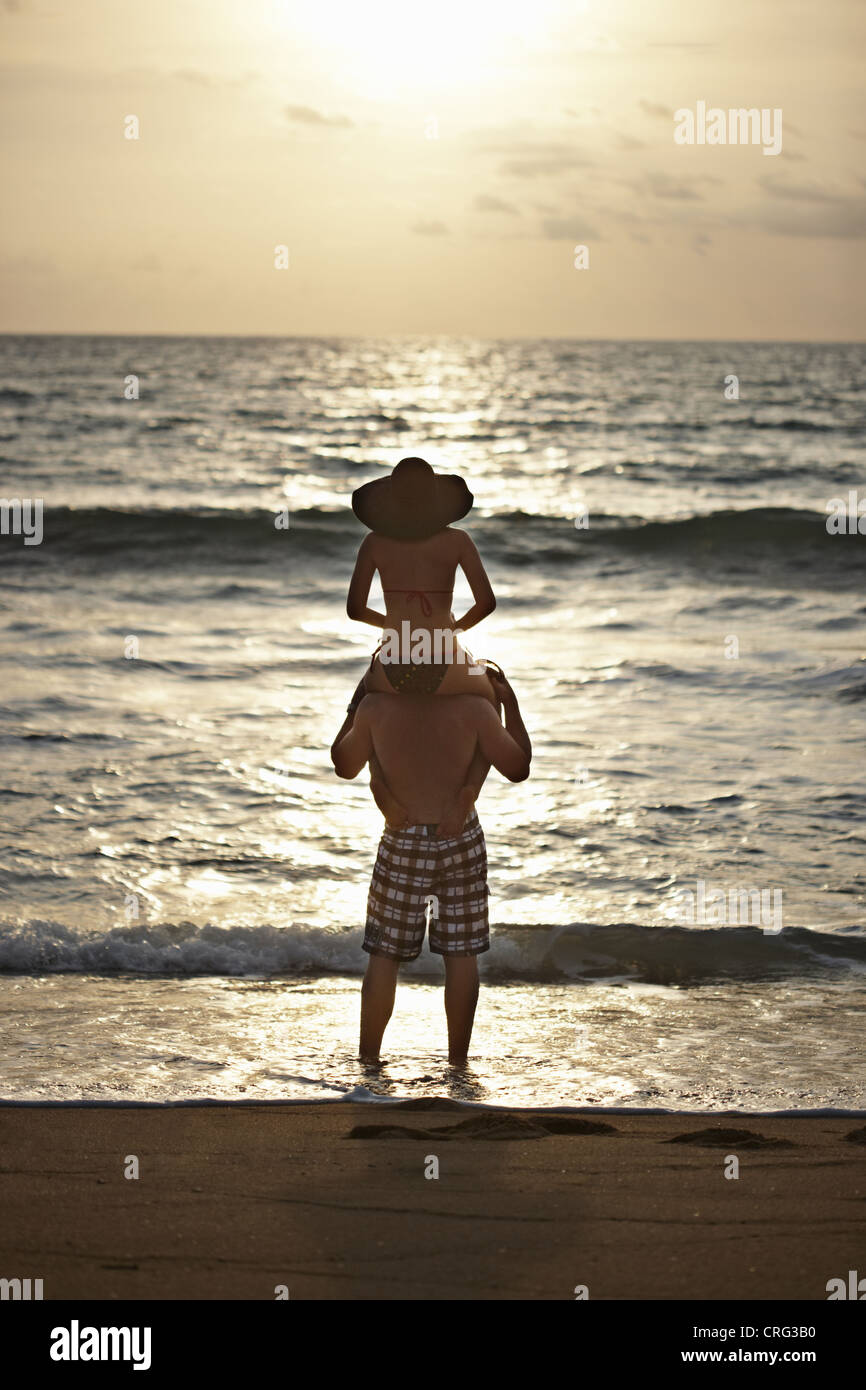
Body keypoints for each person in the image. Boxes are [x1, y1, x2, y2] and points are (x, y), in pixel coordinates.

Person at [331, 669, 531, 1065]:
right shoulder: (476, 708)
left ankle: (368, 1060)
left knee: (384, 956)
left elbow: (344, 764)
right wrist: (510, 703)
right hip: (459, 837)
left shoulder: (376, 707)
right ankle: (457, 1062)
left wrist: (357, 702)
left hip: (403, 835)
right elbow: (518, 767)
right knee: (461, 956)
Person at [338, 456, 500, 836]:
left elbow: (354, 609)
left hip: (393, 658)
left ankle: (380, 785)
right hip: (444, 657)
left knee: (365, 707)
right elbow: (486, 603)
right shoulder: (458, 541)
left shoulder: (374, 542)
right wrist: (453, 629)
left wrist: (392, 624)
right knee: (491, 699)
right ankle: (467, 793)